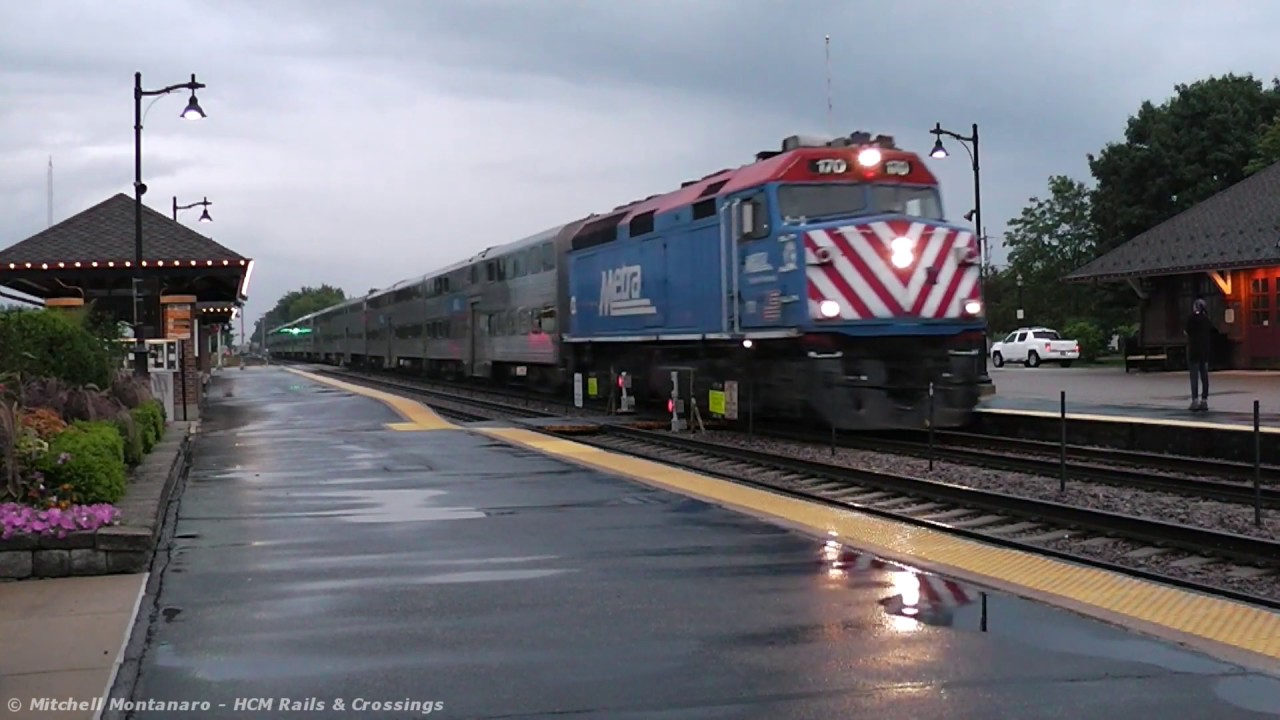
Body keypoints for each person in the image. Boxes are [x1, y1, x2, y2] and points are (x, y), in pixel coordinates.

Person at [1185, 297, 1212, 411]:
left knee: (1194, 377)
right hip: (1204, 351)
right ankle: (1204, 400)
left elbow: (1187, 331)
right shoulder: (1206, 319)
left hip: (1194, 351)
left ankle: (1195, 400)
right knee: (1204, 376)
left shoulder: (1191, 319)